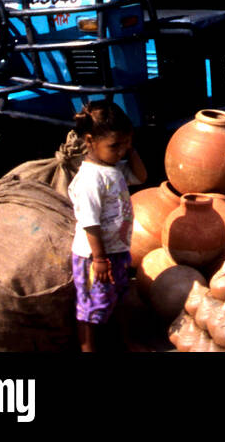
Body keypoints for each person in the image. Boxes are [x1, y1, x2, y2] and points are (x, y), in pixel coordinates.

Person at [68, 101, 147, 352]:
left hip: (117, 252)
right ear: (90, 141)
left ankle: (125, 342)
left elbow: (142, 177)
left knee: (119, 299)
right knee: (92, 307)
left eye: (126, 144)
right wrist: (100, 259)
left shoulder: (115, 168)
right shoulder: (90, 179)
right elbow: (90, 223)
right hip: (95, 257)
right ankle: (88, 348)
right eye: (115, 145)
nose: (121, 151)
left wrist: (130, 150)